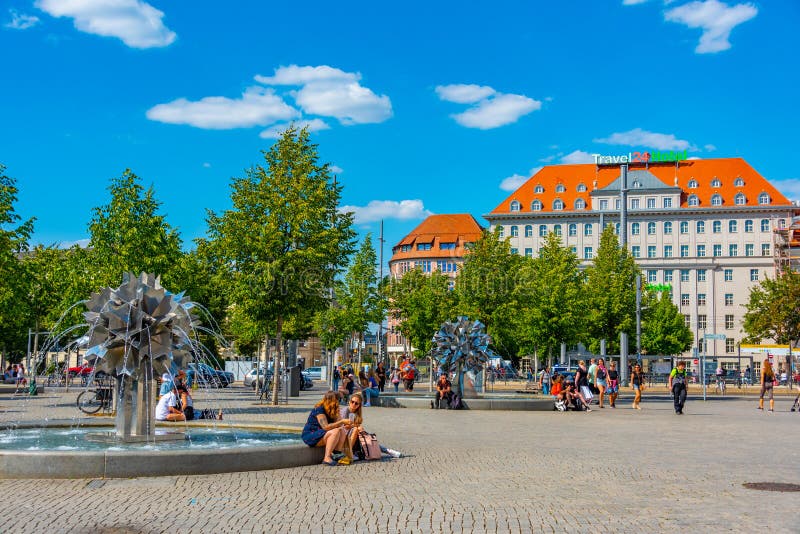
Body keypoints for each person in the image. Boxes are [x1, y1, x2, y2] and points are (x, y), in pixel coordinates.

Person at [339, 392, 402, 463]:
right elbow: (342, 427)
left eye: (356, 403)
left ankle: (387, 451)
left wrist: (358, 428)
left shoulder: (356, 413)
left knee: (366, 437)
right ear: (349, 402)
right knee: (363, 435)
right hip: (343, 436)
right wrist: (356, 427)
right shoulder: (345, 411)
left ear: (359, 405)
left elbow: (353, 425)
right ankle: (388, 451)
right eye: (352, 402)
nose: (353, 404)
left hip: (353, 435)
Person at [302, 391, 351, 466]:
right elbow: (325, 427)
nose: (339, 402)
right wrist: (341, 421)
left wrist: (340, 418)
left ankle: (337, 453)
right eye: (339, 400)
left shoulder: (332, 409)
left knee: (342, 430)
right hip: (311, 435)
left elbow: (338, 425)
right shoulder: (319, 409)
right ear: (333, 400)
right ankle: (326, 458)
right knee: (335, 431)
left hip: (322, 434)